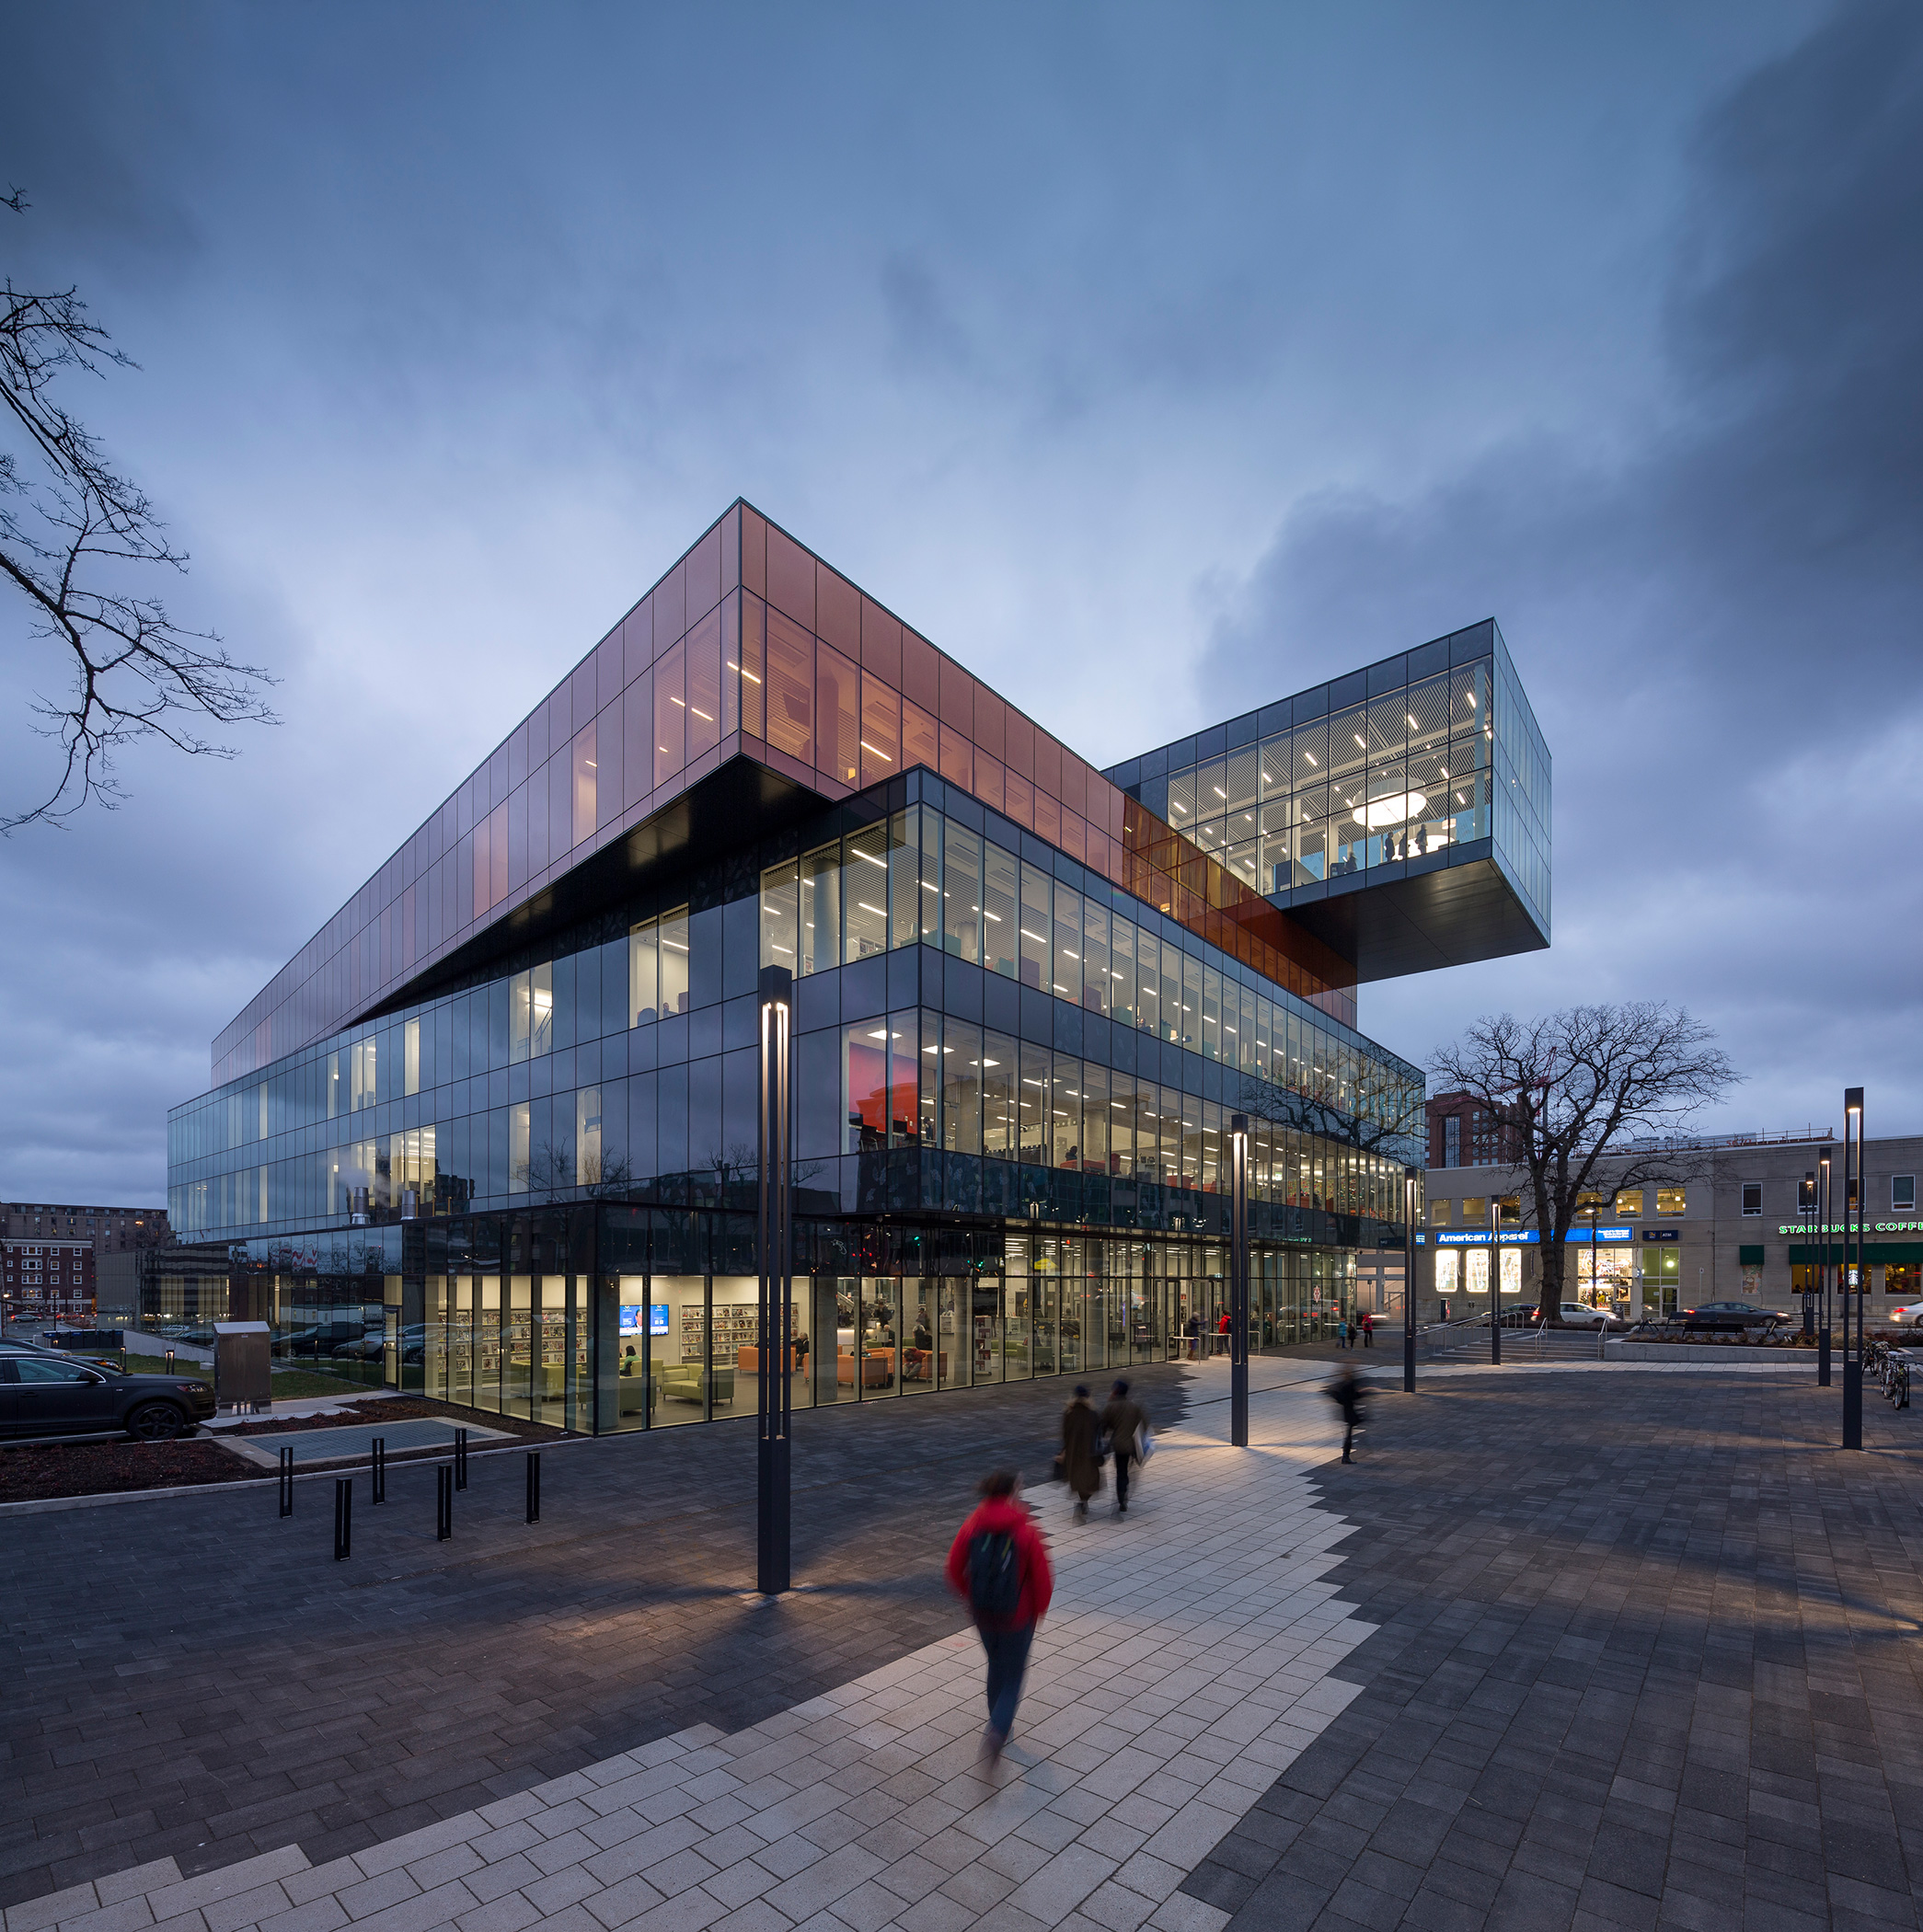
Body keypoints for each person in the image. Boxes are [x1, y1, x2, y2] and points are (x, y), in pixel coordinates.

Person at [945, 1470, 1054, 1762]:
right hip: (1018, 1617)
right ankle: (997, 1731)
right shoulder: (1026, 1529)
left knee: (995, 1664)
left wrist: (971, 1596)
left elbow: (953, 1568)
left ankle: (996, 1718)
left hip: (983, 1615)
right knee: (1014, 1676)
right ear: (1010, 1493)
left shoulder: (972, 1525)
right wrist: (1037, 1612)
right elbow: (1043, 1579)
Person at [1100, 1378, 1146, 1516]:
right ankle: (1123, 1496)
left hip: (1119, 1445)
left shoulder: (1111, 1406)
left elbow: (1103, 1426)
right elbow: (1143, 1424)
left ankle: (1121, 1497)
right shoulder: (1134, 1407)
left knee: (1120, 1471)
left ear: (1115, 1391)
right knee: (1125, 1472)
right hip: (1131, 1446)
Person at [1060, 1386, 1102, 1520]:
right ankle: (1082, 1502)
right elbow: (1098, 1434)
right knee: (1091, 1480)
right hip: (1089, 1453)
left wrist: (1064, 1451)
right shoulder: (1093, 1414)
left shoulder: (1069, 1414)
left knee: (1078, 1479)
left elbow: (1065, 1435)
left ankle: (1082, 1503)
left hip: (1074, 1453)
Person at [1328, 1361, 1365, 1462]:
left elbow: (1340, 1396)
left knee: (1349, 1433)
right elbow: (1351, 1396)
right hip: (1349, 1411)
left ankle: (1346, 1455)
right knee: (1349, 1434)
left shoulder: (1344, 1383)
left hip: (1347, 1410)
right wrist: (1361, 1393)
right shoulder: (1349, 1383)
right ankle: (1345, 1456)